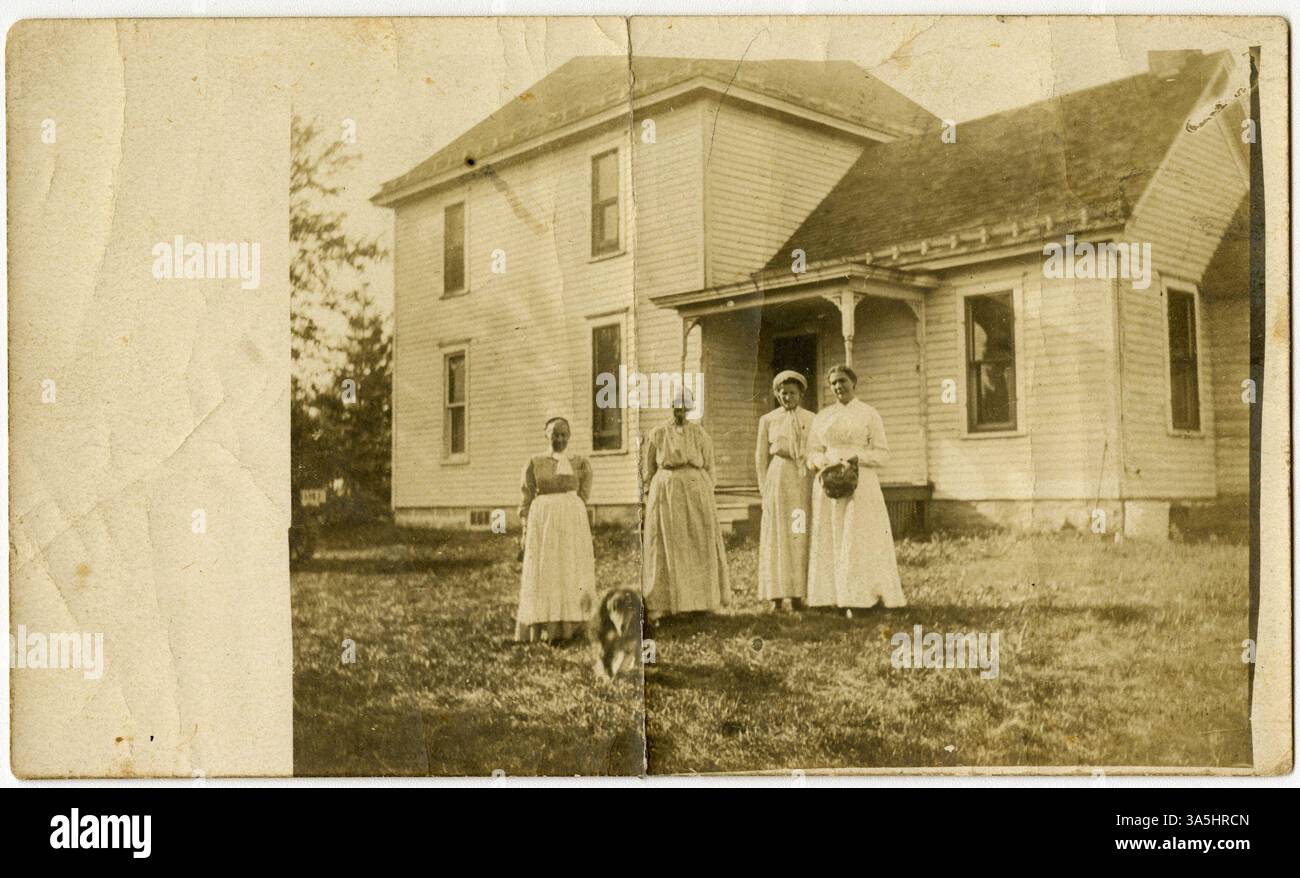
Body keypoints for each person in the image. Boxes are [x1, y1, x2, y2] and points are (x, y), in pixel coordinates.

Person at [806, 365, 907, 616]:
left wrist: (854, 457)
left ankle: (861, 598)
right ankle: (829, 597)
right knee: (829, 537)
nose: (838, 387)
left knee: (858, 537)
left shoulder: (869, 414)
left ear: (854, 383)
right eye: (833, 383)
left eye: (842, 381)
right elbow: (812, 450)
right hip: (829, 482)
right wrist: (821, 463)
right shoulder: (823, 416)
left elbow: (883, 454)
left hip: (861, 483)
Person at [641, 388, 729, 621]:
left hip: (695, 490)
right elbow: (649, 469)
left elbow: (709, 466)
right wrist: (651, 495)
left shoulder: (699, 433)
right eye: (675, 406)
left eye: (683, 407)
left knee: (697, 541)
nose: (679, 411)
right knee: (669, 542)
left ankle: (700, 602)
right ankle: (666, 604)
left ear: (690, 408)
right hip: (667, 491)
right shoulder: (658, 434)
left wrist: (704, 492)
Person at [515, 417, 596, 642]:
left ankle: (570, 626)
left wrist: (571, 511)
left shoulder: (580, 463)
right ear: (546, 435)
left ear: (569, 436)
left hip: (572, 523)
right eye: (554, 434)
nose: (559, 438)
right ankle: (545, 626)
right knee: (546, 569)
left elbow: (584, 494)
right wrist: (524, 529)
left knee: (570, 567)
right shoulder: (535, 462)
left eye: (563, 434)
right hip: (544, 522)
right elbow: (527, 497)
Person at [755, 370, 814, 611]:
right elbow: (760, 456)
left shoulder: (811, 419)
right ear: (777, 395)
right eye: (783, 393)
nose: (787, 397)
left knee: (798, 531)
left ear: (800, 394)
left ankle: (798, 594)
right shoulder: (768, 420)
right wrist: (763, 488)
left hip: (801, 478)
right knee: (778, 532)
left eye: (792, 393)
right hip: (778, 476)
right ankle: (776, 596)